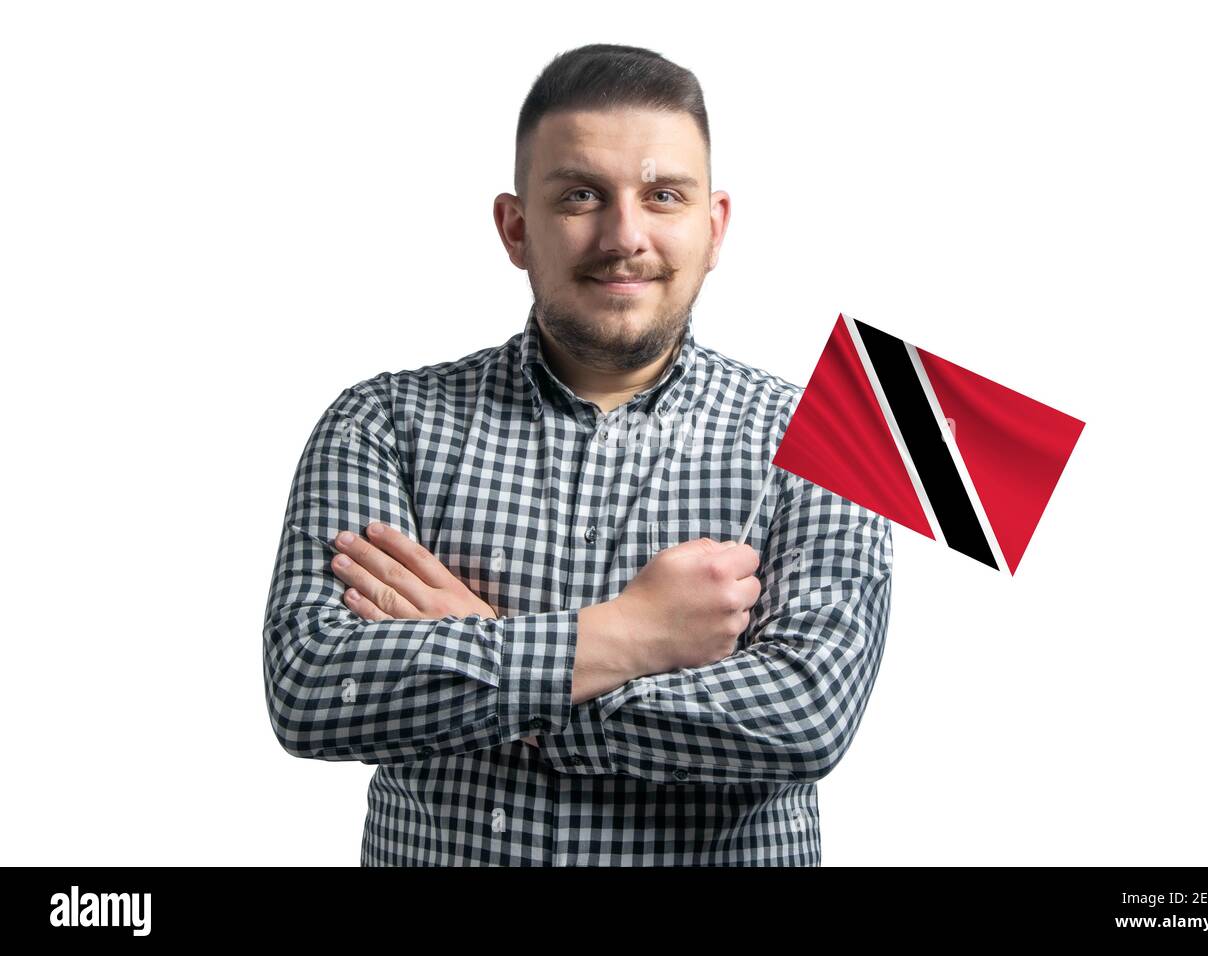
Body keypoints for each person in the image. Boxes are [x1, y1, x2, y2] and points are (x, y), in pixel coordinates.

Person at [262, 42, 893, 866]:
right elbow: (315, 689)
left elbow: (803, 720)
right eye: (582, 195)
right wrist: (628, 633)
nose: (624, 236)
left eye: (663, 195)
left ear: (714, 227)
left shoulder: (832, 434)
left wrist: (492, 655)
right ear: (516, 227)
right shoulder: (380, 423)